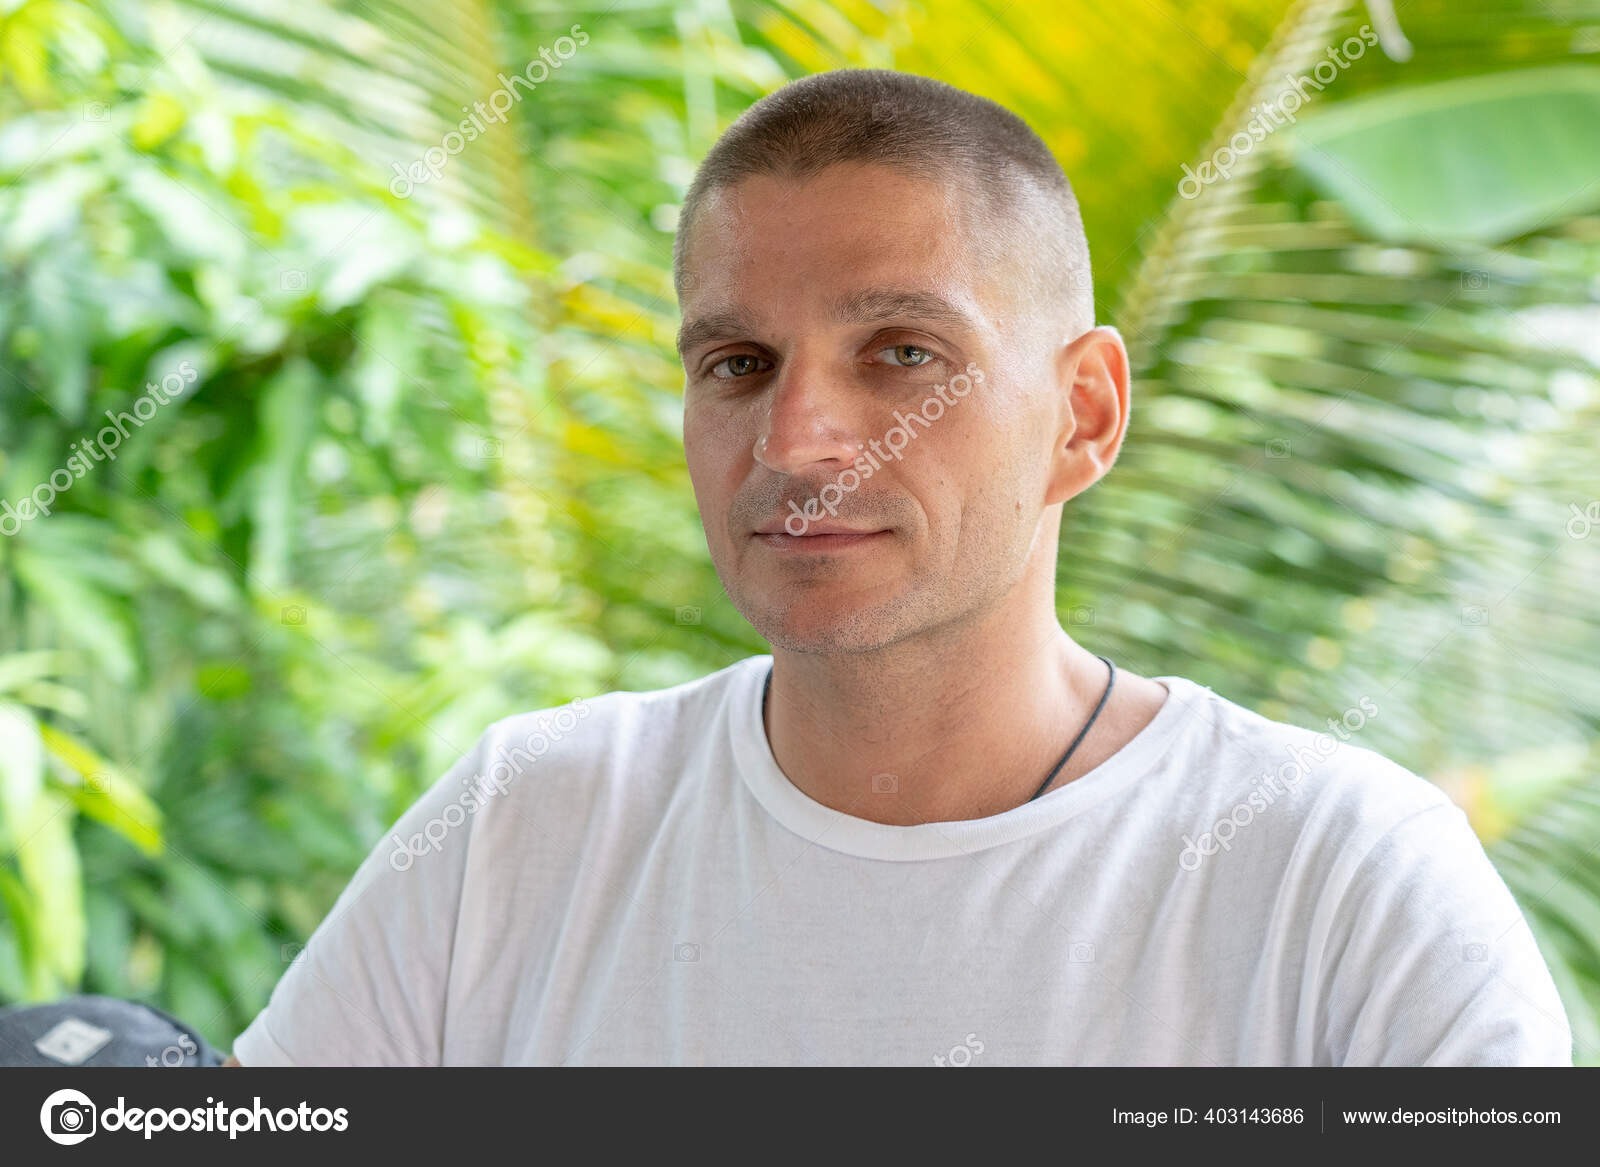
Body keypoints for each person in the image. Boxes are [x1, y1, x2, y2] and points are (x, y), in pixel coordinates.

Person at [226, 69, 1570, 1066]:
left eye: (904, 354)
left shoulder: (1344, 884)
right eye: (737, 364)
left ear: (1084, 415)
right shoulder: (524, 827)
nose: (797, 438)